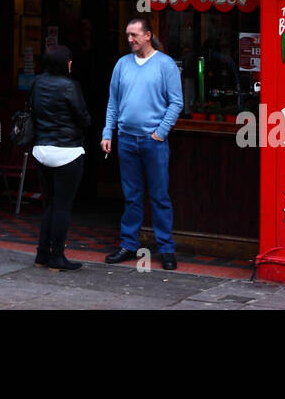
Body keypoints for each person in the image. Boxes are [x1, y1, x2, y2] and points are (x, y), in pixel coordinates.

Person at [101, 16, 183, 271]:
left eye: (134, 35)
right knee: (131, 196)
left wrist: (160, 132)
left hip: (153, 141)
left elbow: (176, 102)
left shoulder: (165, 64)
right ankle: (129, 244)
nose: (130, 39)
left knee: (159, 196)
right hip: (126, 139)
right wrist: (107, 132)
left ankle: (166, 249)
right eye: (128, 35)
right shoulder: (122, 64)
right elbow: (113, 101)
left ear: (148, 35)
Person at [30, 45, 90, 270]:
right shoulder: (70, 86)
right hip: (67, 151)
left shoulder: (37, 82)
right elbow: (83, 117)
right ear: (63, 63)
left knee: (49, 205)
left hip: (41, 149)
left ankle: (42, 255)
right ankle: (57, 257)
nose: (71, 63)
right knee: (62, 207)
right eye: (69, 60)